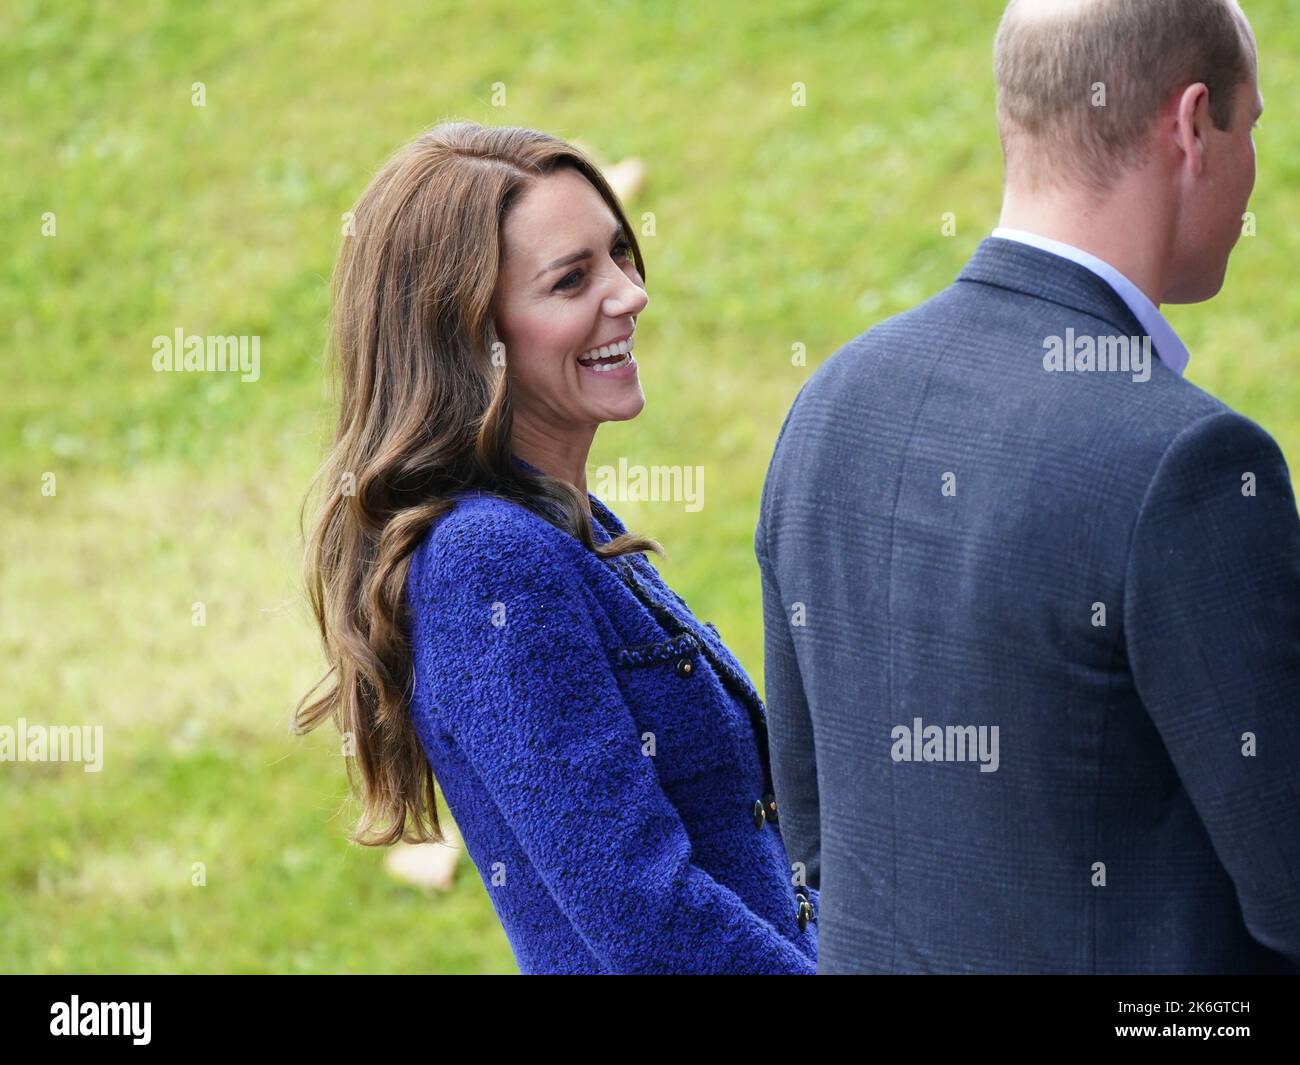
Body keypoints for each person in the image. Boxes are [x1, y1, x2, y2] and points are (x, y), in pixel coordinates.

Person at [756, 0, 1299, 973]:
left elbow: (813, 826)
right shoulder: (1193, 465)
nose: (1252, 163)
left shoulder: (829, 402)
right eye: (1248, 124)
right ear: (1189, 128)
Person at [296, 121, 817, 974]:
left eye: (619, 253)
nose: (628, 293)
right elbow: (646, 918)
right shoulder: (487, 562)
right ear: (469, 337)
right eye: (572, 279)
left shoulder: (566, 520)